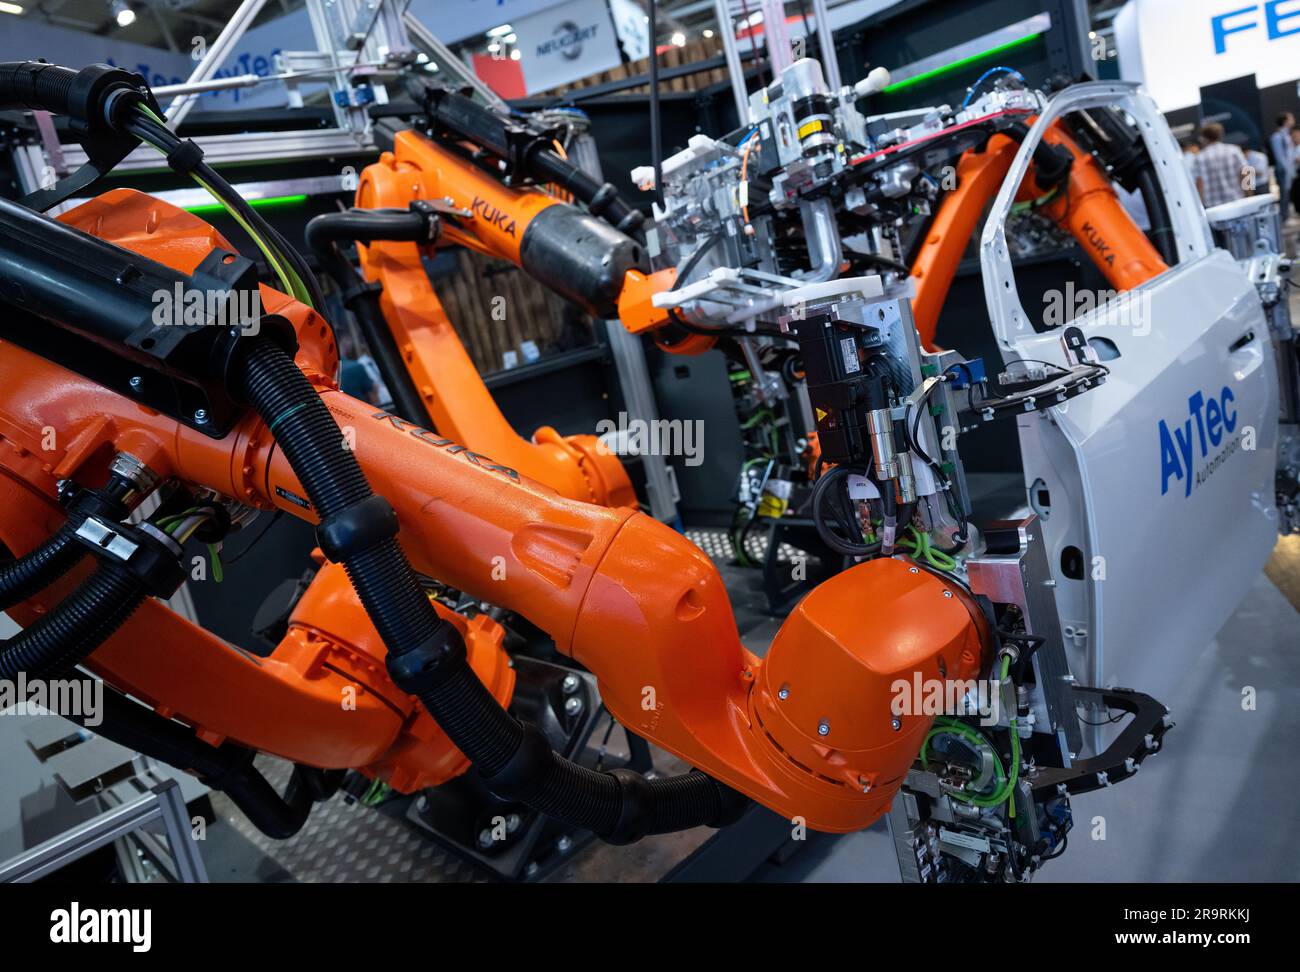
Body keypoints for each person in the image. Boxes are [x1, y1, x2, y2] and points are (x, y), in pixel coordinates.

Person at [1192, 121, 1248, 209]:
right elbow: (1246, 172)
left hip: (1213, 207)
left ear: (1204, 137)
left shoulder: (1199, 157)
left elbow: (1199, 183)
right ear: (1220, 135)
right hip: (1236, 201)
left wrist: (1200, 205)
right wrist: (1249, 194)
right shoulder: (1234, 150)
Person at [1271, 112, 1295, 213]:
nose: (1293, 120)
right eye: (1291, 118)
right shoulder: (1277, 137)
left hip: (1291, 168)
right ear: (1285, 121)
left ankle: (1288, 215)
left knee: (1290, 193)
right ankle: (1284, 217)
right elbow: (1279, 156)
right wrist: (1287, 170)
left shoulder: (1288, 135)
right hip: (1283, 170)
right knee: (1284, 194)